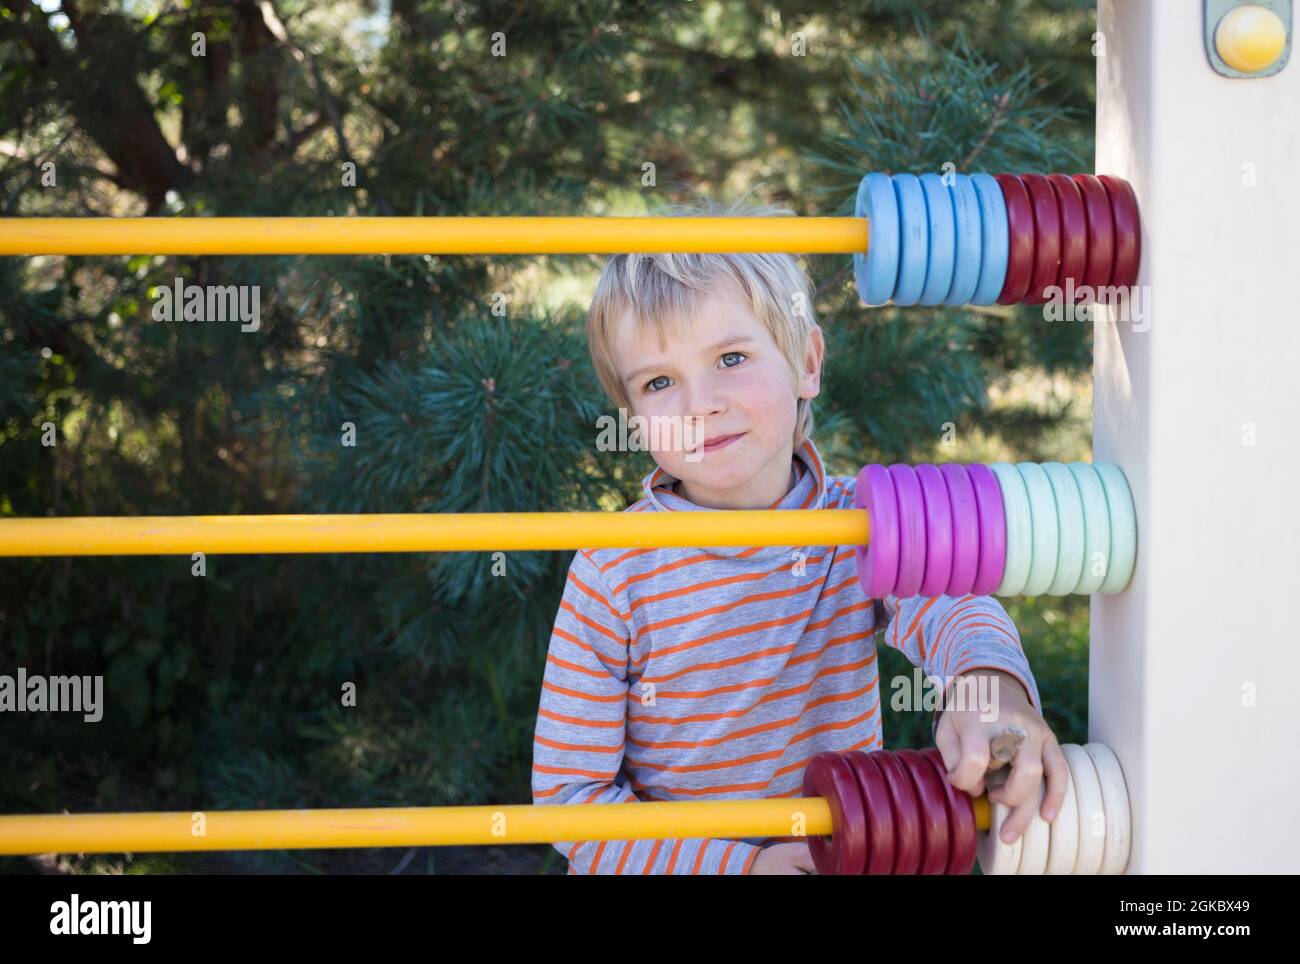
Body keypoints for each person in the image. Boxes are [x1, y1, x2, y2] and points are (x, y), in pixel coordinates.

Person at [531, 201, 1068, 874]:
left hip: (839, 858)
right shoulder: (613, 571)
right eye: (659, 381)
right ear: (634, 416)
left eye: (730, 357)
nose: (700, 404)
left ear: (807, 362)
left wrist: (990, 690)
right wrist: (742, 869)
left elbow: (954, 605)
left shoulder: (859, 526)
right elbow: (569, 801)